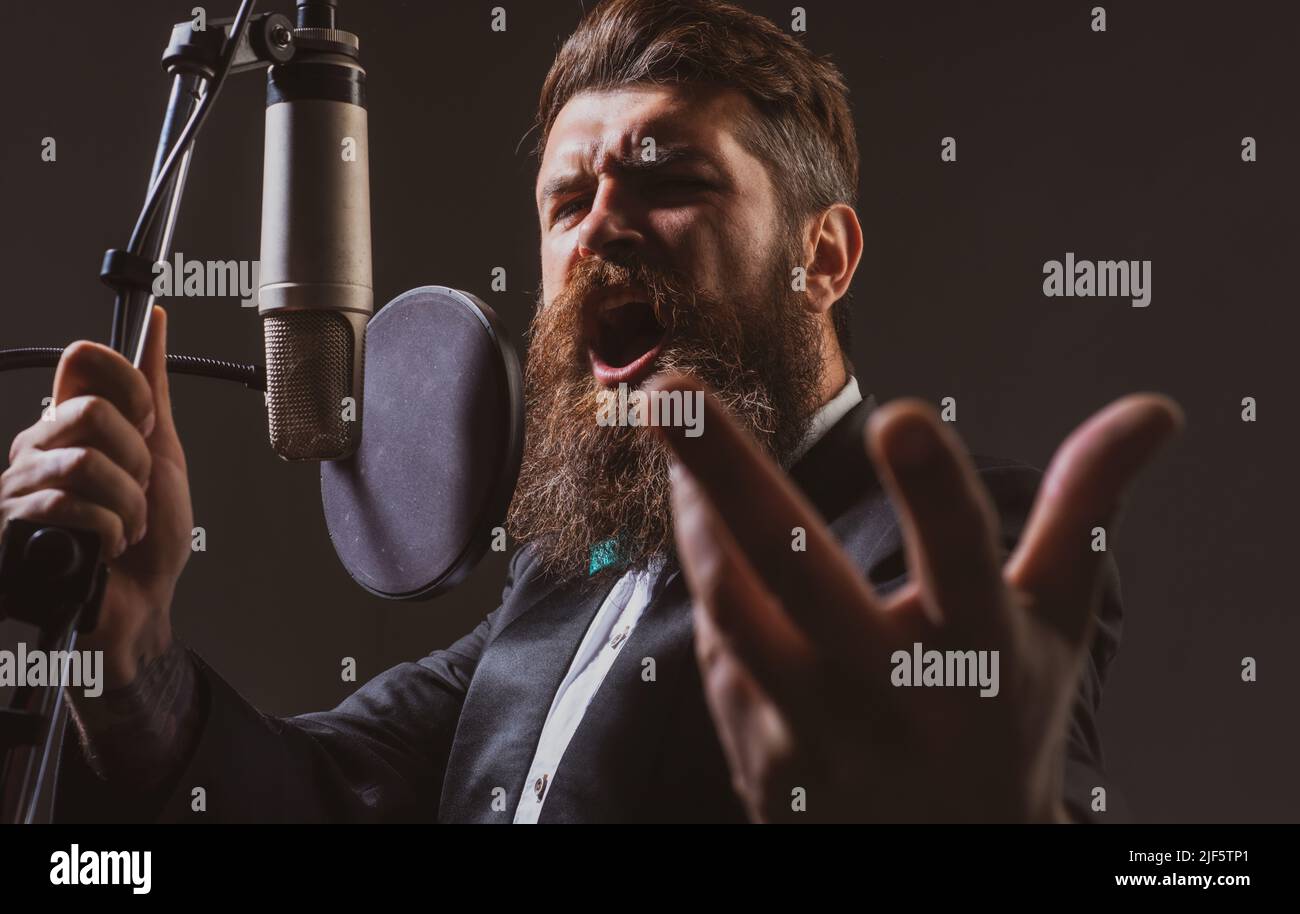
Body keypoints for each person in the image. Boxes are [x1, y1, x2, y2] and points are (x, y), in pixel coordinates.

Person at [1, 0, 1180, 823]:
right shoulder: (568, 577)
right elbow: (321, 794)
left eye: (669, 178)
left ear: (821, 257)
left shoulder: (941, 542)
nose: (600, 226)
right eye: (567, 199)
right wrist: (128, 649)